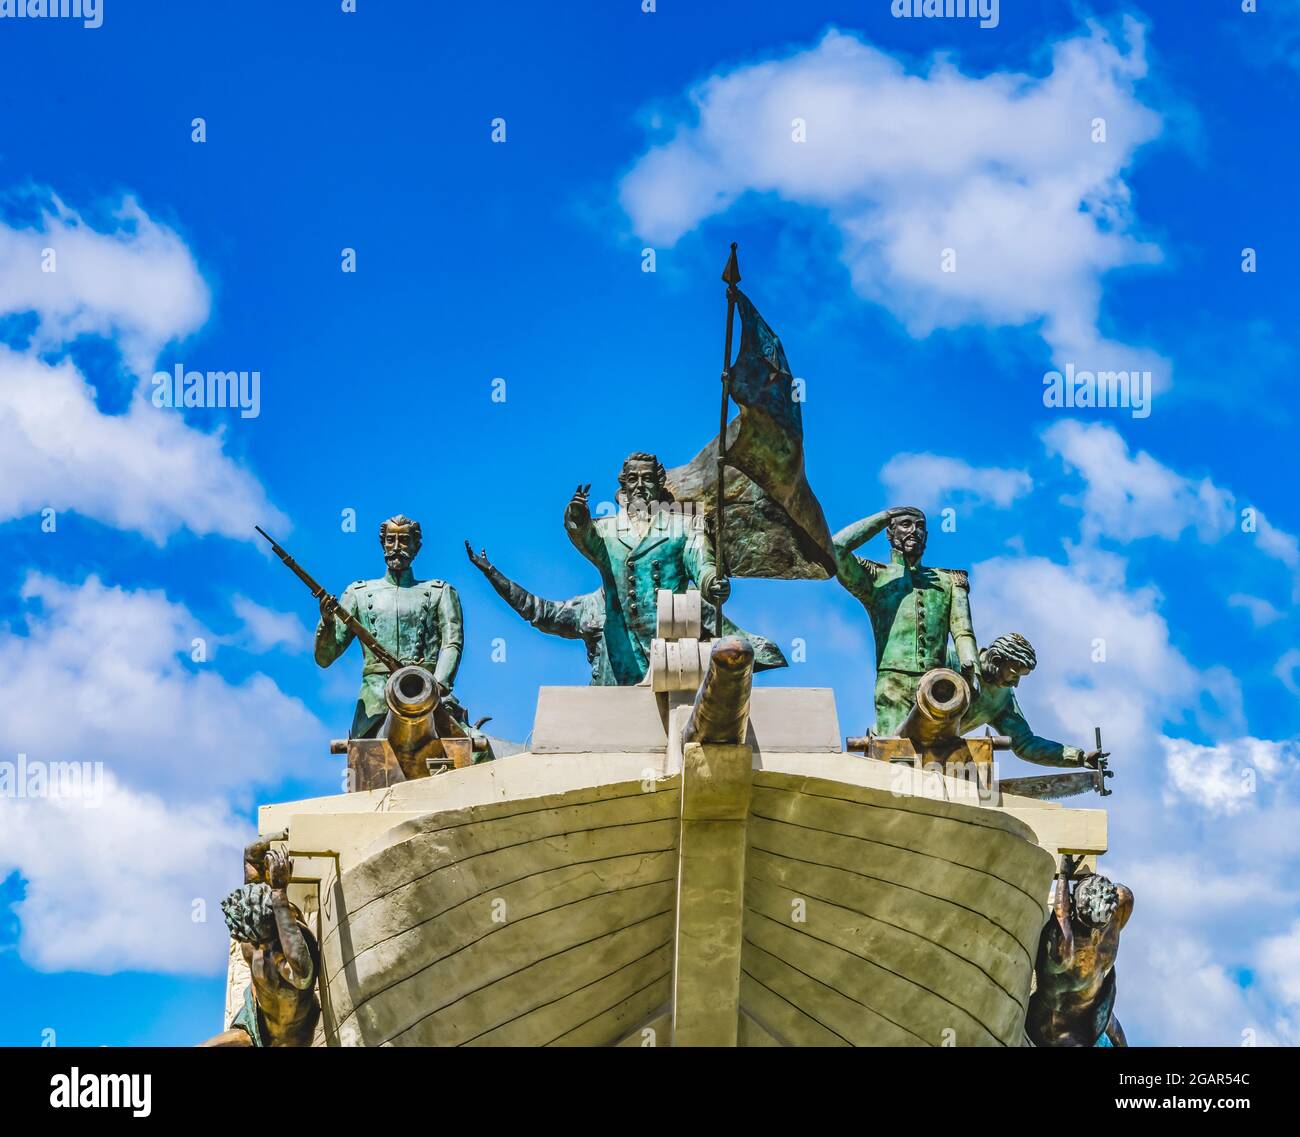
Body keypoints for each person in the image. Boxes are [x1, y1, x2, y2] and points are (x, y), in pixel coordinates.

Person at [833, 506, 977, 736]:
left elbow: (963, 631)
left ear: (926, 536)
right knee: (894, 757)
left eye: (920, 526)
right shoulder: (877, 577)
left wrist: (971, 666)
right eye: (906, 524)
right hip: (893, 684)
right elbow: (836, 549)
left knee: (937, 763)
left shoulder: (948, 581)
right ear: (889, 534)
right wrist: (884, 517)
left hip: (938, 683)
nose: (914, 531)